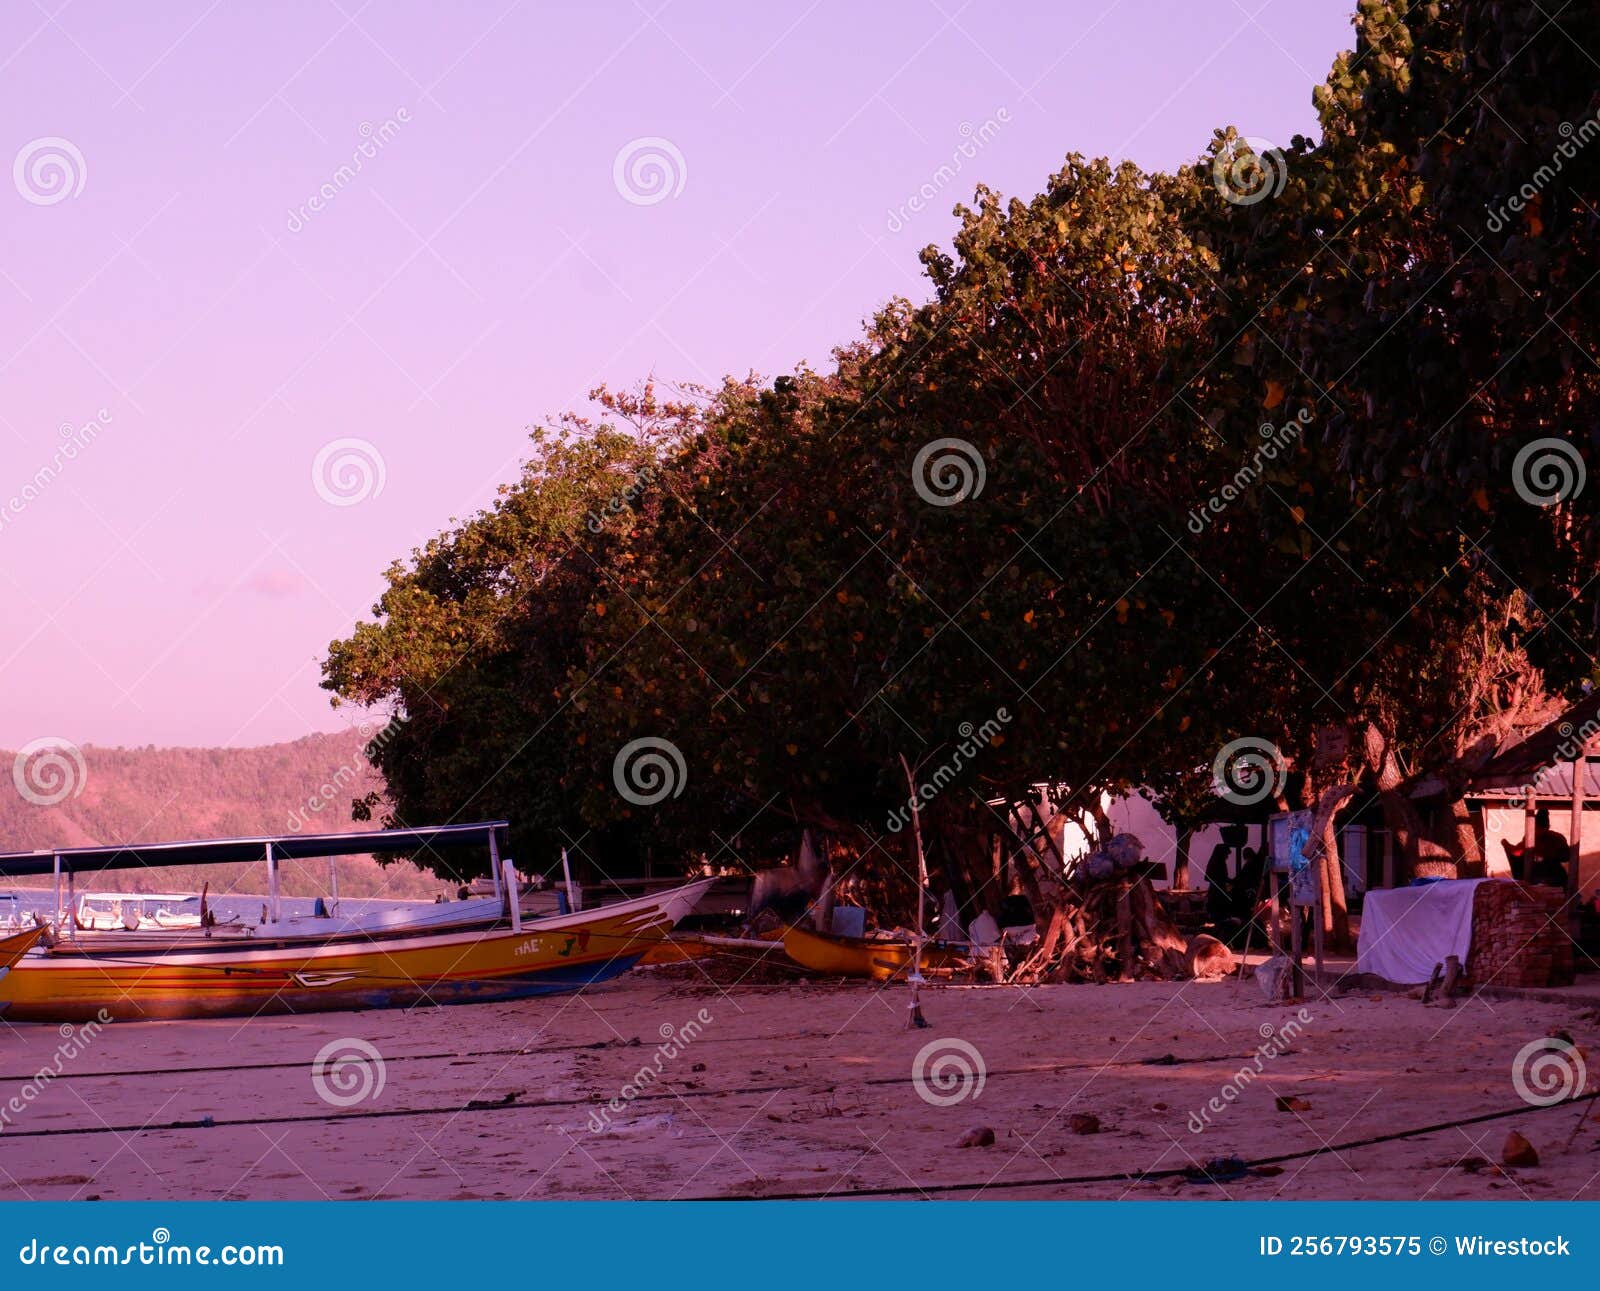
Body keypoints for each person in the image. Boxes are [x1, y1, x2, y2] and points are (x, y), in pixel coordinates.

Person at [1203, 842, 1233, 925]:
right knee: (1219, 915)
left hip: (1215, 892)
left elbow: (1208, 877)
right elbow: (1222, 877)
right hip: (1218, 893)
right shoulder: (1219, 863)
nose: (1227, 857)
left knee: (1217, 915)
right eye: (1226, 854)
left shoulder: (1214, 861)